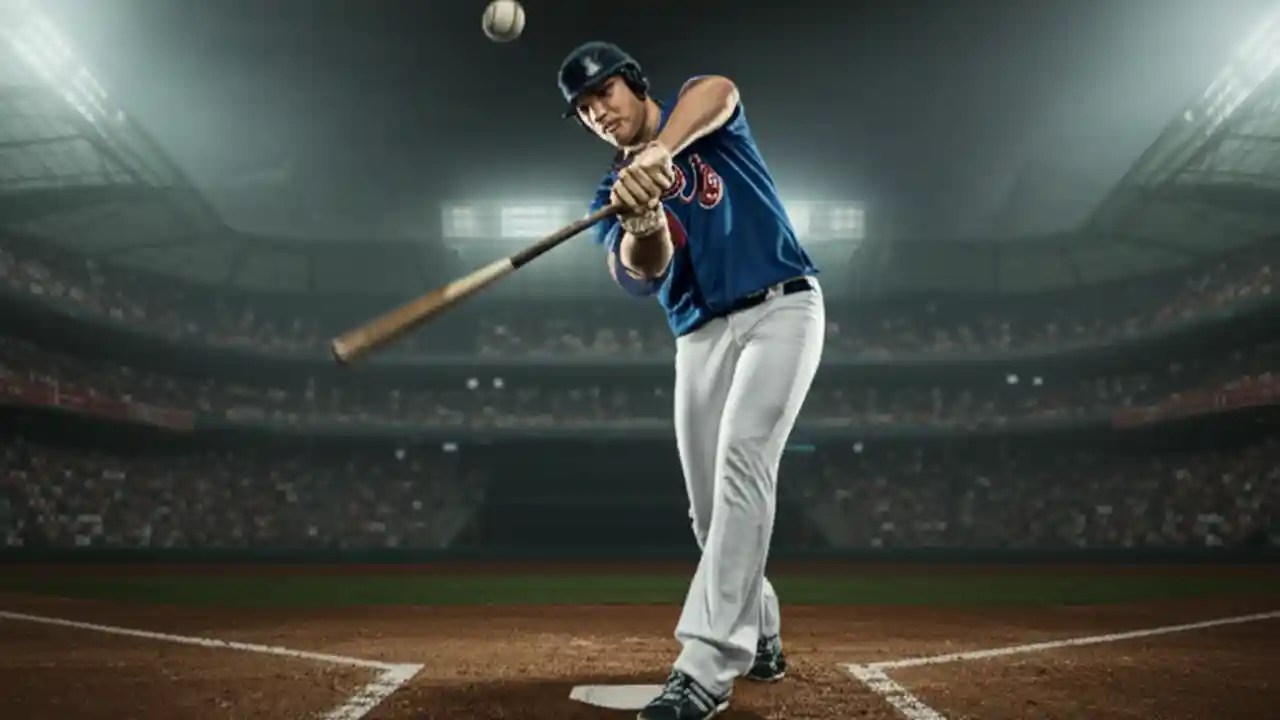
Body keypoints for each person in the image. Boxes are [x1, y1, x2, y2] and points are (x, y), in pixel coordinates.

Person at [557, 41, 826, 720]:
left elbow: (722, 89)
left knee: (743, 460)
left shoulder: (694, 111)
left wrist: (659, 152)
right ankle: (762, 632)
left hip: (781, 307)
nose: (597, 112)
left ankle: (705, 667)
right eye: (584, 109)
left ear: (634, 83)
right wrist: (643, 220)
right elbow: (641, 272)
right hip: (700, 336)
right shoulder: (609, 195)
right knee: (708, 515)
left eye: (604, 93)